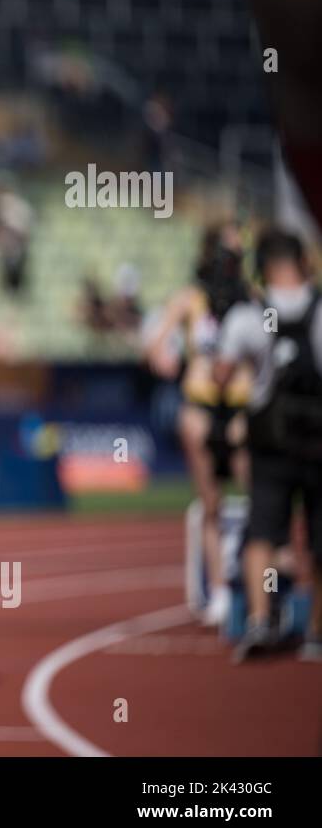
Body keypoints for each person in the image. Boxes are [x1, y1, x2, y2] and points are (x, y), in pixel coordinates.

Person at [214, 228, 322, 662]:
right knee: (319, 539)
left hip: (270, 444)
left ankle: (259, 619)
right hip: (319, 443)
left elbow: (221, 375)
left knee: (261, 532)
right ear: (304, 262)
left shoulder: (248, 315)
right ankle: (316, 632)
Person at [146, 224, 254, 625]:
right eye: (228, 252)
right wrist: (164, 358)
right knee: (211, 504)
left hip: (241, 408)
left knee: (259, 497)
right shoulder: (190, 299)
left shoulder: (253, 299)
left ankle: (264, 586)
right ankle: (222, 590)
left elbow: (272, 342)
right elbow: (156, 343)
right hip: (201, 406)